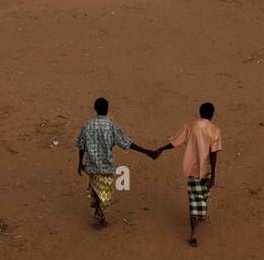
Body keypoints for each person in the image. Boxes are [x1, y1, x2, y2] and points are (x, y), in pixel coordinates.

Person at [75, 97, 158, 228]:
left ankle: (98, 214)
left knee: (95, 190)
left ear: (95, 109)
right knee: (105, 194)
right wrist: (147, 152)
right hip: (106, 166)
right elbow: (126, 142)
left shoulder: (87, 125)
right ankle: (100, 217)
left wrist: (79, 163)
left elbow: (81, 146)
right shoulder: (111, 126)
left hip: (91, 165)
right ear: (107, 109)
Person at [154, 102, 223, 247]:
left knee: (193, 201)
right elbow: (213, 154)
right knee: (203, 197)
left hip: (192, 169)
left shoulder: (190, 126)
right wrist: (214, 175)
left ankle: (194, 231)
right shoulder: (215, 130)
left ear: (200, 112)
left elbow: (175, 142)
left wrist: (161, 149)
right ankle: (196, 226)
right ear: (212, 114)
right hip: (206, 170)